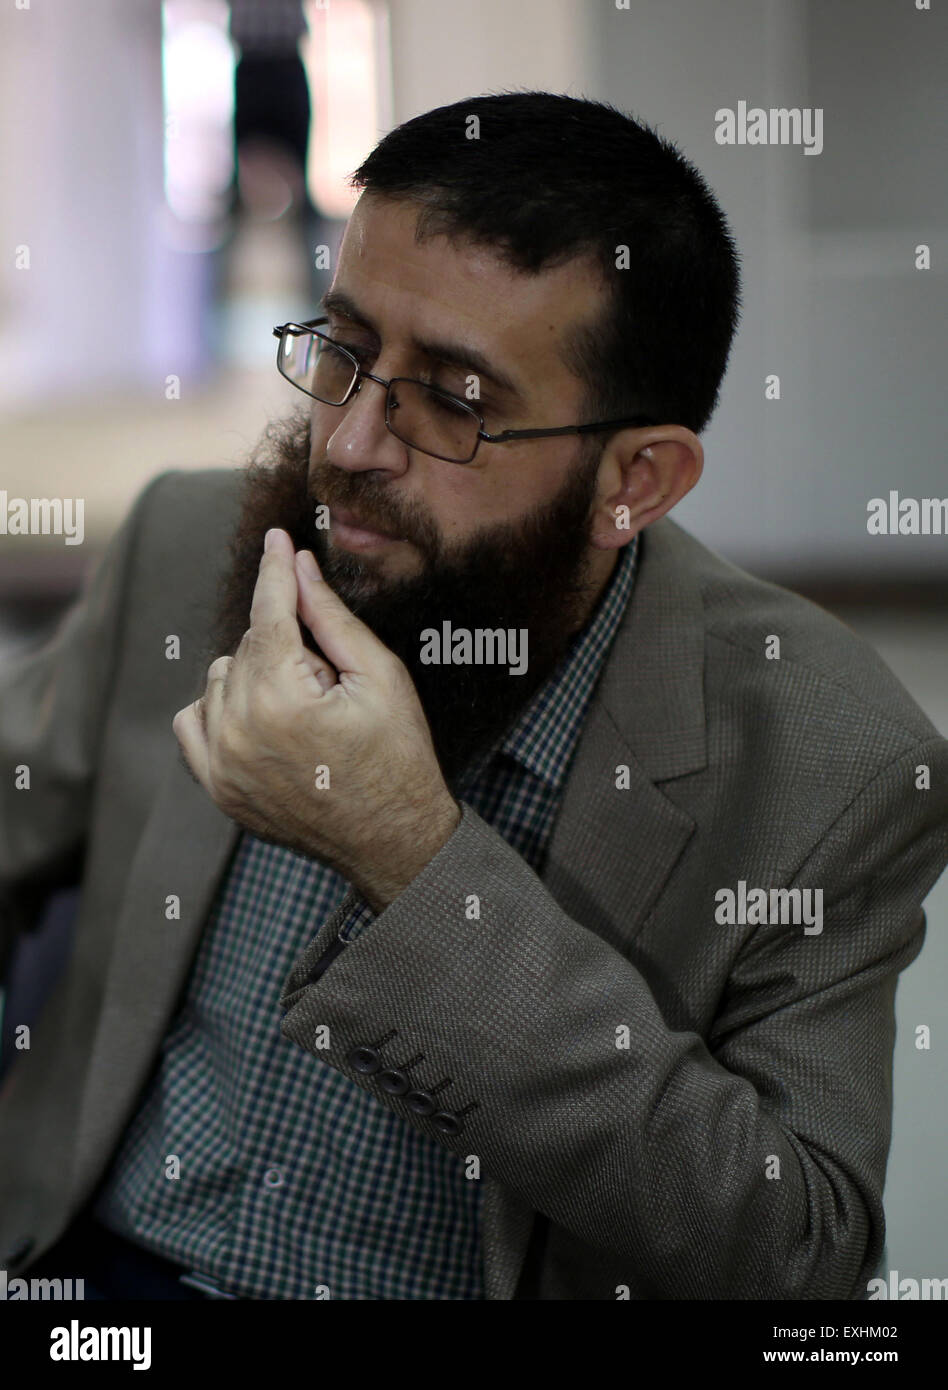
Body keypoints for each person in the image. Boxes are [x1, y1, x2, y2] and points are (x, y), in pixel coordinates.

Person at [1, 92, 946, 1302]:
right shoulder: (200, 540)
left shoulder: (829, 758)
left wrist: (411, 856)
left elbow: (792, 1258)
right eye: (344, 347)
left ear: (636, 480)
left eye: (452, 399)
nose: (345, 444)